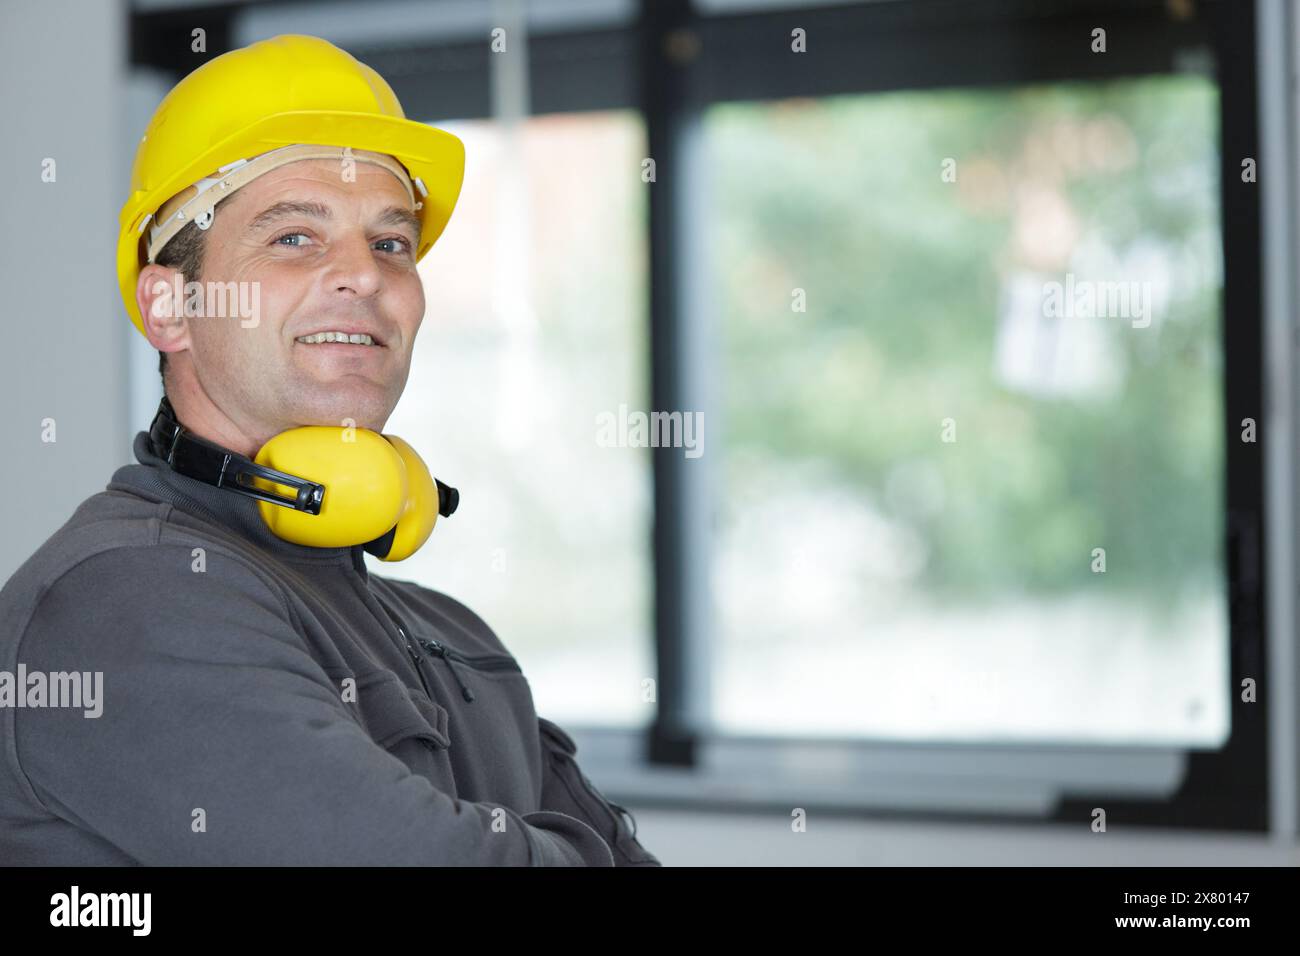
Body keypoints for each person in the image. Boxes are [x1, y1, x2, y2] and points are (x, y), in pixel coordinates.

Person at [0, 34, 659, 866]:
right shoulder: (119, 599)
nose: (365, 275)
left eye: (391, 243)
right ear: (169, 306)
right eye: (293, 237)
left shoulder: (450, 632)